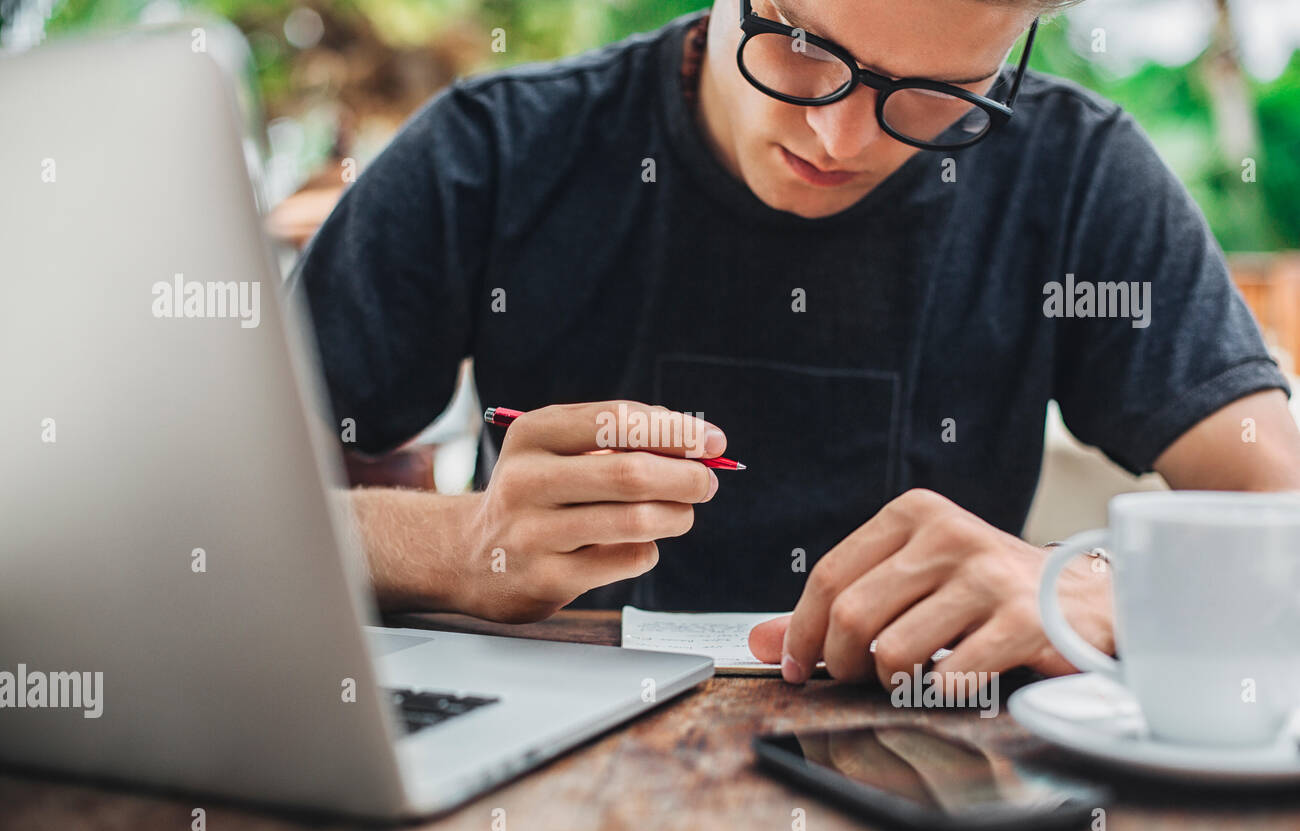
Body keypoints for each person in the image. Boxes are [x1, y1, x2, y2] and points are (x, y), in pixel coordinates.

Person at [291, 0, 1300, 685]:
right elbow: (196, 520)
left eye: (938, 94)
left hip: (931, 774)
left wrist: (1088, 588)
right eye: (806, 47)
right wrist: (461, 546)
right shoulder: (493, 151)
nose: (841, 142)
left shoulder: (1078, 175)